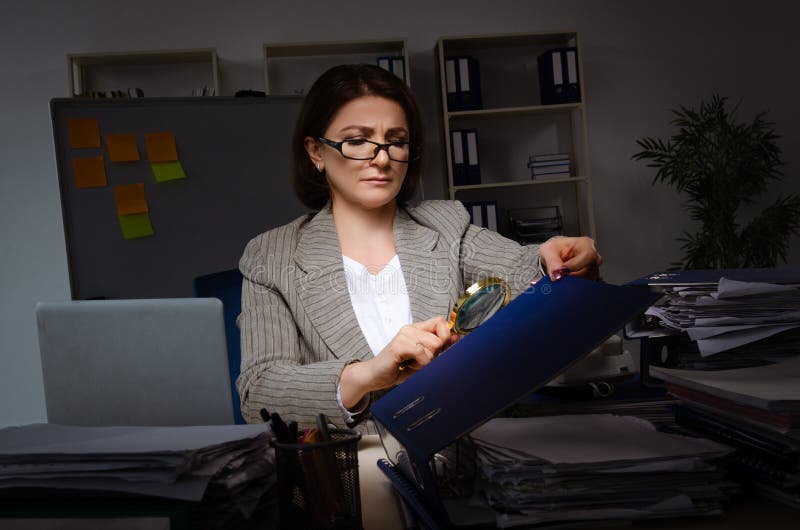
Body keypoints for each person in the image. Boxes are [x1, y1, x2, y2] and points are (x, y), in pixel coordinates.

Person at [237, 64, 601, 431]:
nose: (382, 158)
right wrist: (368, 374)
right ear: (316, 151)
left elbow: (524, 271)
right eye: (358, 140)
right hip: (350, 459)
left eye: (396, 141)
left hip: (459, 451)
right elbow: (259, 393)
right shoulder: (271, 256)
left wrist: (558, 261)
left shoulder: (446, 225)